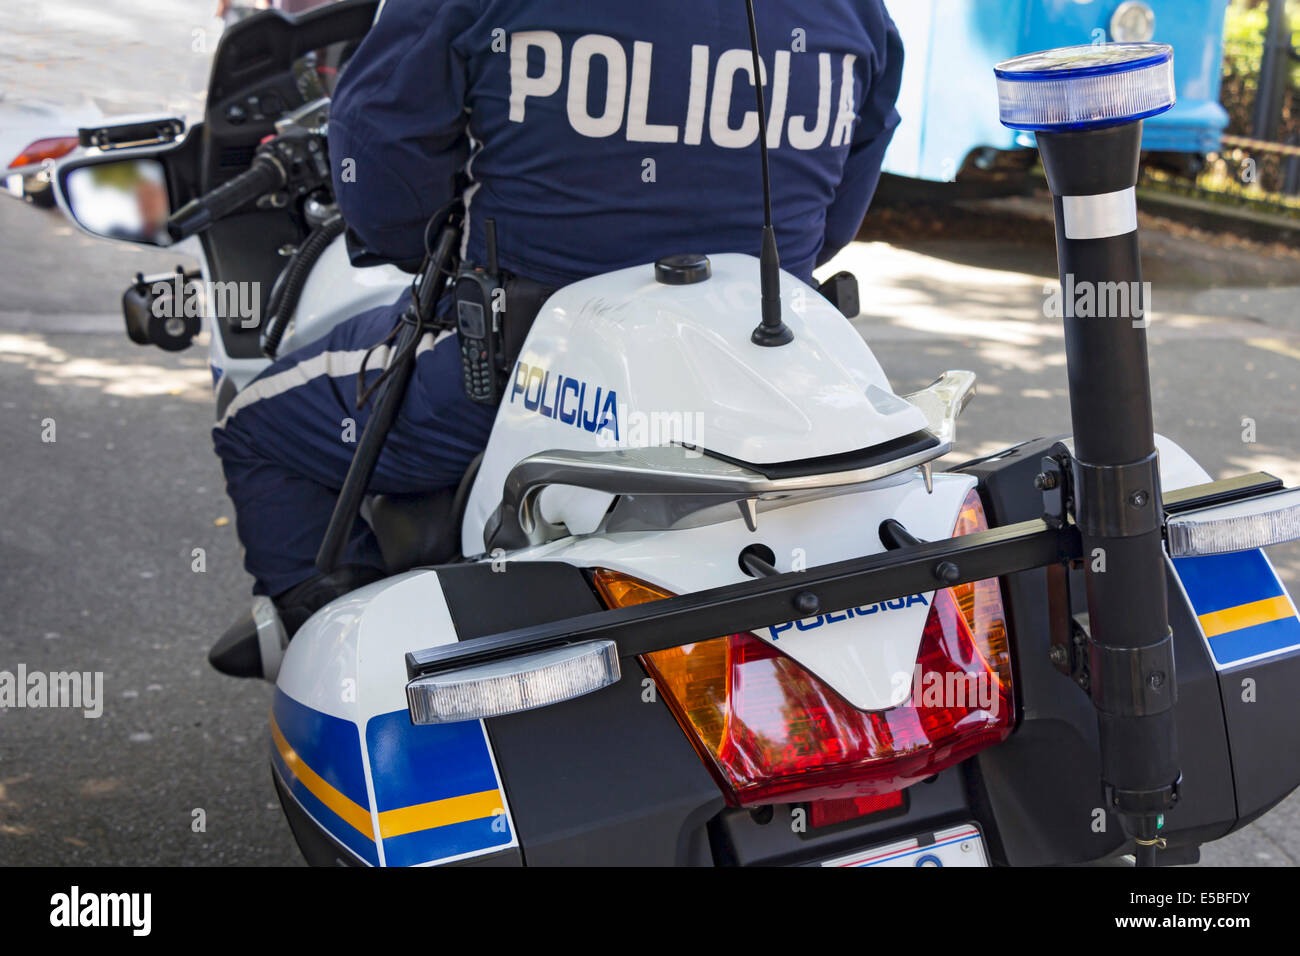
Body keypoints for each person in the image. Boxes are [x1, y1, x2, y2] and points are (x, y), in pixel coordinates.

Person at [209, 0, 904, 675]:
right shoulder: (858, 13)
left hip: (518, 373)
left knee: (253, 426)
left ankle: (352, 665)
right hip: (764, 383)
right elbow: (839, 213)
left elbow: (386, 176)